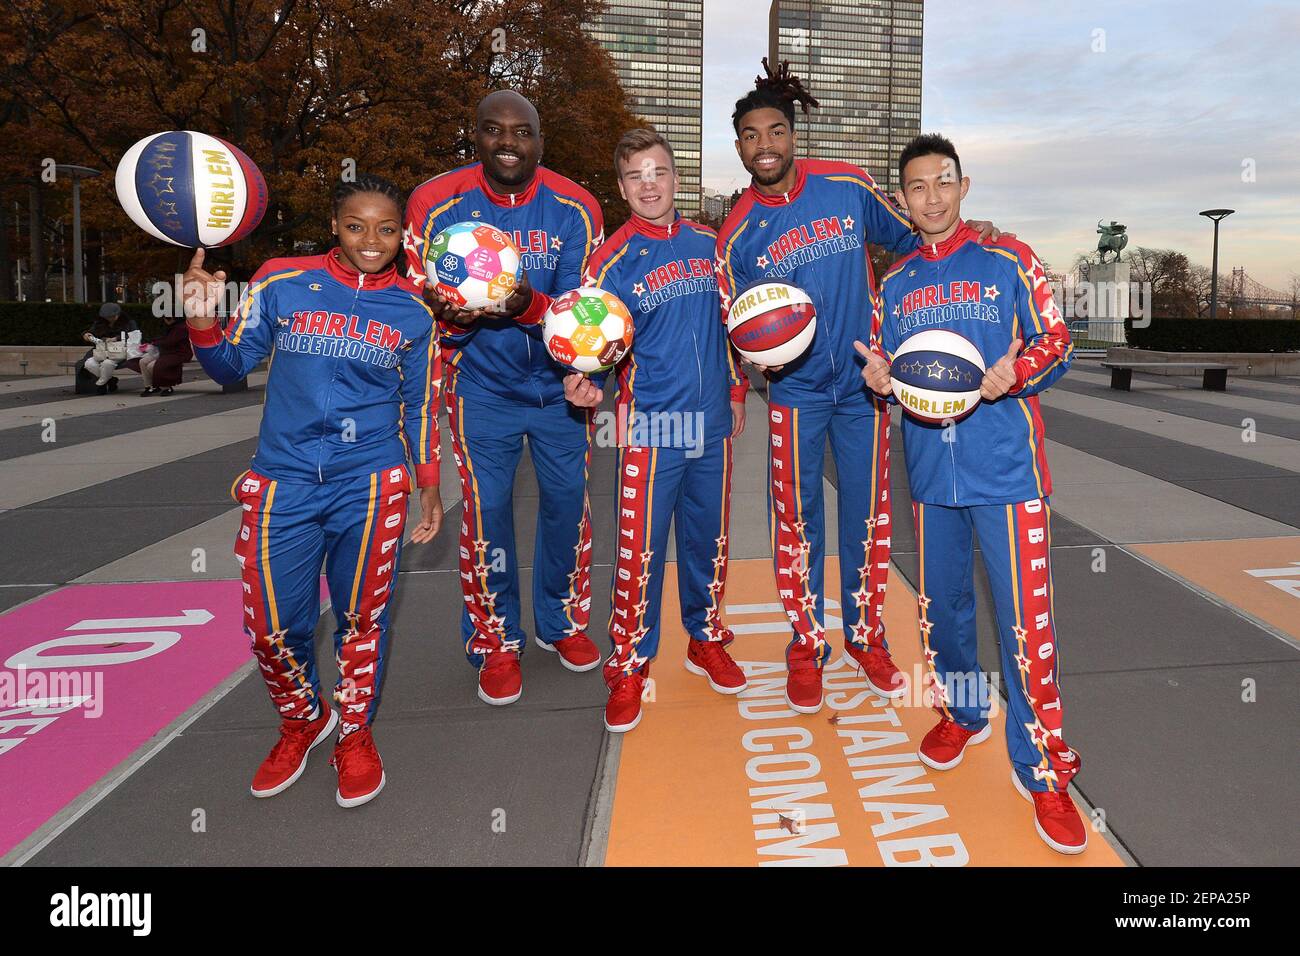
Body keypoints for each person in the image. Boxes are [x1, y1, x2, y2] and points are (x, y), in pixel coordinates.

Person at [718, 61, 1005, 716]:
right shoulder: (734, 233)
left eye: (776, 131)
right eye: (751, 136)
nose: (766, 146)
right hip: (793, 391)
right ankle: (804, 640)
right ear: (739, 147)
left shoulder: (845, 184)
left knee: (869, 515)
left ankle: (866, 634)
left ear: (793, 134)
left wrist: (972, 233)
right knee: (796, 519)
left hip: (866, 384)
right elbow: (731, 320)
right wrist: (749, 366)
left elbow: (915, 236)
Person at [183, 174, 445, 808]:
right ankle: (304, 717)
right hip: (282, 484)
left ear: (402, 236)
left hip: (371, 484)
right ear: (335, 225)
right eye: (356, 226)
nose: (371, 241)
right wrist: (200, 318)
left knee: (362, 622)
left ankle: (354, 734)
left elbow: (420, 406)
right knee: (270, 629)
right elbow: (228, 367)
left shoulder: (416, 308)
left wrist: (428, 487)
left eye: (386, 229)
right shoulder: (281, 279)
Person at [860, 133, 1083, 854]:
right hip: (930, 476)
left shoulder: (1009, 258)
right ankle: (962, 713)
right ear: (902, 199)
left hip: (1007, 474)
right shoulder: (892, 284)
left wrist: (1018, 374)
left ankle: (1044, 771)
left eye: (942, 182)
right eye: (916, 187)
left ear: (964, 185)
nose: (931, 197)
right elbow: (884, 364)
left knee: (1027, 626)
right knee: (943, 611)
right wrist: (878, 379)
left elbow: (1057, 338)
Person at [405, 90, 605, 707]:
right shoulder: (434, 204)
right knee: (488, 517)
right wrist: (456, 318)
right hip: (480, 391)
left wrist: (523, 307)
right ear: (477, 137)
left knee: (567, 508)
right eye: (494, 131)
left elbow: (582, 310)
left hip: (558, 392)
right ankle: (495, 640)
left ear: (541, 141)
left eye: (522, 133)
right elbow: (424, 317)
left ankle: (561, 622)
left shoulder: (576, 206)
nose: (508, 143)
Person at [578, 127, 750, 732]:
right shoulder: (609, 261)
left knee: (709, 543)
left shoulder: (711, 243)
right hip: (650, 426)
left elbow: (736, 324)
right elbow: (590, 344)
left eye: (658, 172)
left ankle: (705, 639)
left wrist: (735, 389)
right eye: (635, 176)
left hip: (711, 426)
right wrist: (586, 380)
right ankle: (627, 664)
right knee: (639, 552)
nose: (648, 185)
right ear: (622, 186)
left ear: (676, 178)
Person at [80, 302, 140, 393]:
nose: (110, 319)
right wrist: (87, 334)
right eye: (107, 317)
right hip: (102, 351)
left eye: (112, 317)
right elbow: (91, 332)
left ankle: (101, 385)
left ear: (118, 314)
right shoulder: (100, 323)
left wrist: (116, 338)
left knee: (107, 363)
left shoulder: (129, 323)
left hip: (119, 351)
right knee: (89, 363)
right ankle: (110, 380)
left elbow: (135, 336)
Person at [128, 314, 192, 395]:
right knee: (143, 362)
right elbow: (165, 339)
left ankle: (166, 387)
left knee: (152, 366)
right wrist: (153, 341)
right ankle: (149, 386)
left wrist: (155, 342)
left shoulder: (181, 328)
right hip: (166, 352)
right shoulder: (172, 326)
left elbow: (170, 341)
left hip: (178, 353)